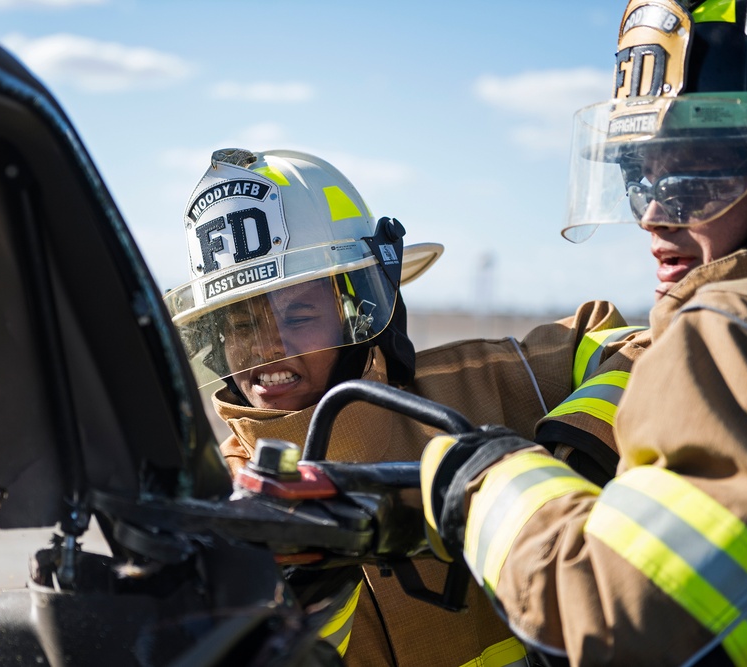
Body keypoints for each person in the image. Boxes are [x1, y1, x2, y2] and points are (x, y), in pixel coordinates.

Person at [164, 148, 648, 666]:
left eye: (298, 314)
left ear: (365, 308)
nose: (267, 349)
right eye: (240, 326)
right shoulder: (222, 501)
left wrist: (565, 457)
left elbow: (642, 349)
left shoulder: (496, 383)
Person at [420, 0, 747, 665]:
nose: (652, 215)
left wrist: (478, 479)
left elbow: (613, 623)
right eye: (639, 173)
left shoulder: (733, 336)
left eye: (693, 174)